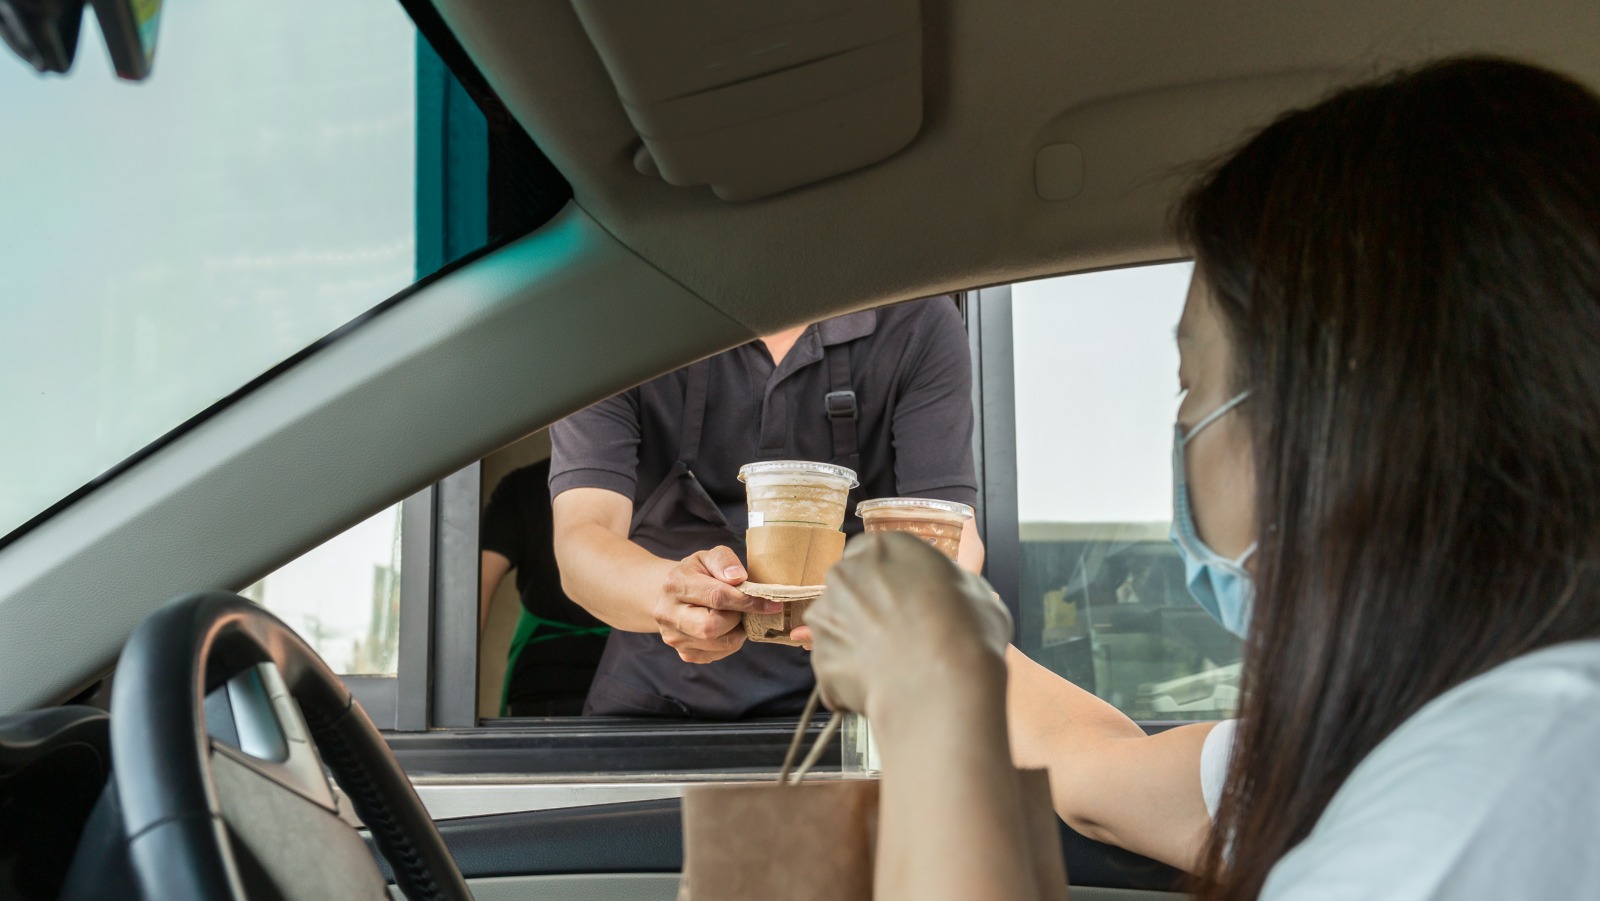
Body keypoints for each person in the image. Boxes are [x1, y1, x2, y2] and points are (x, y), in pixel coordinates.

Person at [799, 57, 1600, 899]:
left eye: (1191, 384)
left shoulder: (1496, 793)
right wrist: (949, 648)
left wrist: (932, 704)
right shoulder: (1424, 729)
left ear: (1333, 420)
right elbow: (1102, 777)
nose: (1182, 429)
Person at [550, 298, 986, 719]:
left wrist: (909, 607)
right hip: (656, 702)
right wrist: (669, 592)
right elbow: (583, 540)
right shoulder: (616, 324)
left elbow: (950, 534)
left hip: (857, 704)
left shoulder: (915, 320)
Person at [480, 459, 610, 716]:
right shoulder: (655, 480)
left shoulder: (522, 485)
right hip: (628, 678)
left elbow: (472, 593)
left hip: (539, 682)